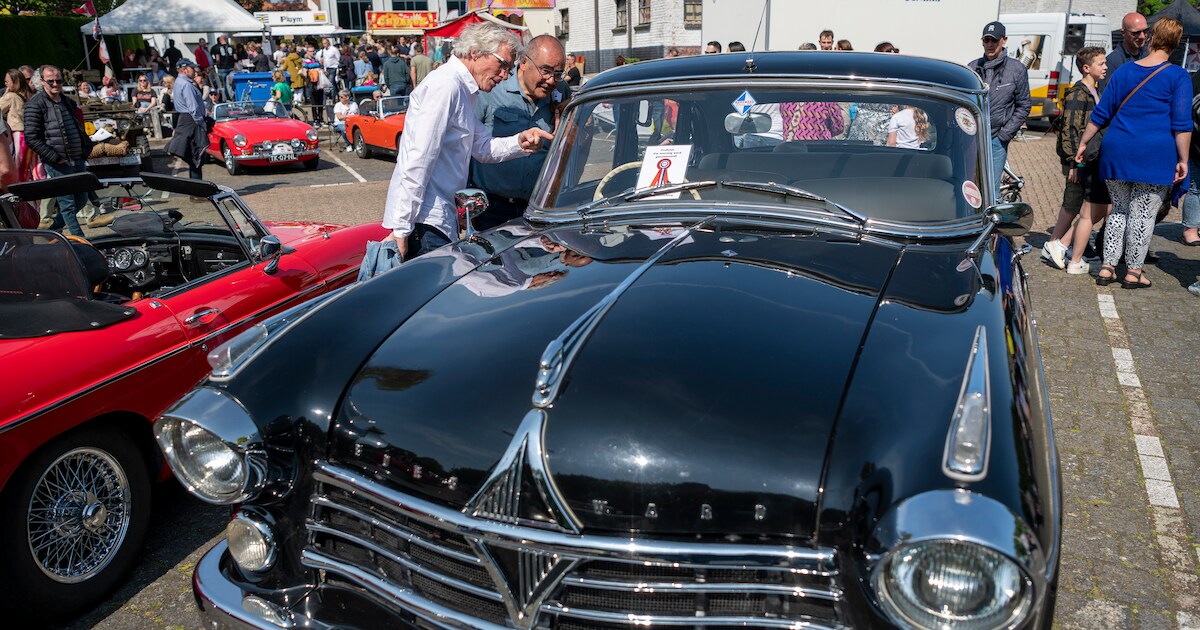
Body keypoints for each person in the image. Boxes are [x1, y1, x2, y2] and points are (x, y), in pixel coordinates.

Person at [381, 23, 554, 261]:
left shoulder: (463, 90)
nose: (505, 75)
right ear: (475, 53)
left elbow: (482, 147)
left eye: (509, 68)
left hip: (437, 220)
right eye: (502, 64)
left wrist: (519, 142)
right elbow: (417, 160)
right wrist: (401, 230)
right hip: (424, 222)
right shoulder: (446, 86)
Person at [1074, 18, 1190, 289]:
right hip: (1155, 152)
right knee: (1143, 214)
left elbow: (1101, 113)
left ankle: (1106, 267)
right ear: (1175, 45)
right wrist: (1183, 160)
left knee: (1119, 210)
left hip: (1117, 149)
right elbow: (1182, 124)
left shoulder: (1124, 71)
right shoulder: (1177, 76)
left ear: (1151, 38)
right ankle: (1133, 272)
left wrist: (1083, 143)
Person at [470, 34, 565, 230]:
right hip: (492, 210)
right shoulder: (491, 89)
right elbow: (464, 145)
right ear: (523, 62)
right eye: (545, 71)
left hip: (539, 209)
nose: (551, 80)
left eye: (558, 74)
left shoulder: (561, 92)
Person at [1044, 47, 1110, 274]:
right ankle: (1055, 244)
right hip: (1078, 160)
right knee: (1073, 202)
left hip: (1087, 158)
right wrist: (1074, 162)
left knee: (1079, 203)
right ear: (1086, 68)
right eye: (1101, 63)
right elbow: (1069, 130)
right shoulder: (1077, 93)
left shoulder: (1095, 90)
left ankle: (1058, 244)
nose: (1105, 67)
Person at [23, 65, 94, 236]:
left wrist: (85, 150)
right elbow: (31, 137)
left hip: (77, 159)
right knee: (67, 204)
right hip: (58, 163)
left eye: (58, 80)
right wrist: (54, 157)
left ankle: (54, 229)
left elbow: (77, 127)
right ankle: (80, 241)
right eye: (51, 81)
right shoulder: (35, 104)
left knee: (82, 200)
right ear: (42, 82)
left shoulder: (67, 101)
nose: (55, 84)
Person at [969, 21, 1030, 202]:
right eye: (986, 40)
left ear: (1004, 40)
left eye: (994, 41)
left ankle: (994, 229)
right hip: (972, 138)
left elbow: (1024, 104)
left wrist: (1005, 134)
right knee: (969, 186)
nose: (990, 44)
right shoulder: (972, 68)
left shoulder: (1016, 69)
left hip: (997, 139)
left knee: (990, 190)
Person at [165, 60, 207, 180]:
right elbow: (193, 108)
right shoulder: (186, 84)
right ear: (185, 69)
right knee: (196, 156)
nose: (195, 71)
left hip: (184, 119)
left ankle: (196, 191)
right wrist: (202, 124)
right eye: (193, 68)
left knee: (193, 156)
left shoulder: (178, 82)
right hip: (191, 120)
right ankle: (197, 193)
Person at [1100, 12, 1148, 91]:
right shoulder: (1113, 61)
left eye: (1145, 31)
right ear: (1123, 33)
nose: (1142, 36)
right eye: (1135, 33)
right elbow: (1104, 95)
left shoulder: (1148, 56)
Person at [1, 69, 33, 183]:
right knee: (31, 168)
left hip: (18, 135)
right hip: (31, 134)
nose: (5, 84)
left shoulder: (10, 96)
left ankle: (20, 196)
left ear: (14, 82)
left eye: (7, 82)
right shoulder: (29, 95)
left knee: (19, 167)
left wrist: (5, 94)